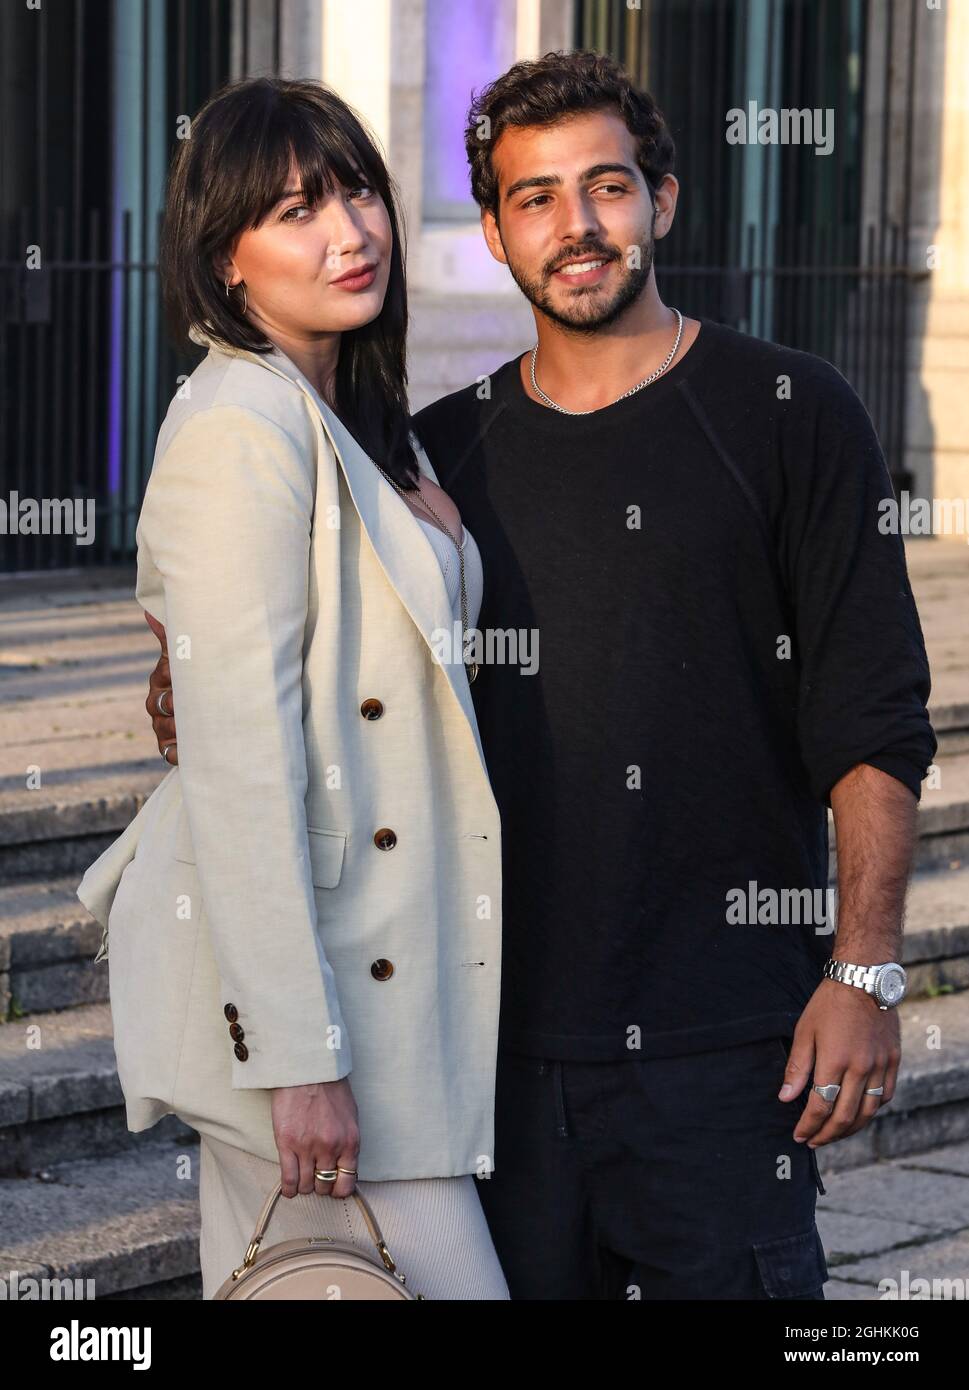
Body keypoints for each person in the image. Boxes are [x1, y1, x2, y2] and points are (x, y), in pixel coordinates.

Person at [145, 51, 937, 1301]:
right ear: (498, 237)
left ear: (663, 202)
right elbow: (279, 697)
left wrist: (864, 971)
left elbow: (875, 719)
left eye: (607, 188)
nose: (577, 228)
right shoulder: (440, 453)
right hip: (487, 1055)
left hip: (724, 1049)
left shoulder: (795, 412)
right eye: (533, 199)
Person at [76, 75, 509, 1301]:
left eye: (358, 190)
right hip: (310, 1001)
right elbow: (243, 757)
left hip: (373, 967)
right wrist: (297, 1058)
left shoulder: (353, 417)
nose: (350, 231)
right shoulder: (238, 424)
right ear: (228, 263)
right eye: (296, 210)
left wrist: (452, 547)